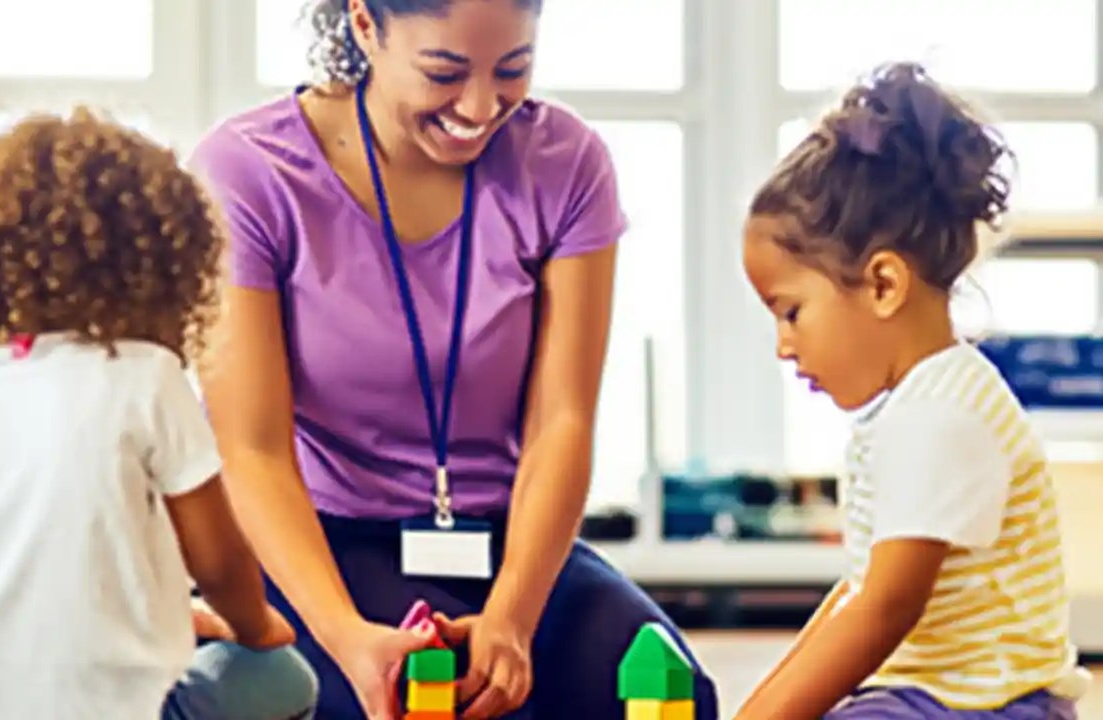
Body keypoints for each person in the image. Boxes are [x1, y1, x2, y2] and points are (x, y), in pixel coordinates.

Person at [187, 0, 720, 718]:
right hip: (323, 544)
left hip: (507, 540)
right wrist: (347, 640)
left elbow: (562, 421)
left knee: (660, 685)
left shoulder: (566, 164)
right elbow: (251, 451)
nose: (479, 107)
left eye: (513, 69)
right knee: (433, 696)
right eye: (444, 72)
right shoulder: (248, 172)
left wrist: (514, 616)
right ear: (366, 25)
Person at [0, 108, 319, 720]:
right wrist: (256, 625)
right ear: (167, 269)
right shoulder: (146, 377)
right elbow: (218, 560)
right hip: (104, 707)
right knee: (283, 681)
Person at [735, 62, 1089, 719]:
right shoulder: (920, 404)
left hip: (986, 707)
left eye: (791, 312)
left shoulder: (941, 415)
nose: (784, 345)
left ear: (883, 285)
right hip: (933, 699)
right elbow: (857, 594)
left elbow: (885, 608)